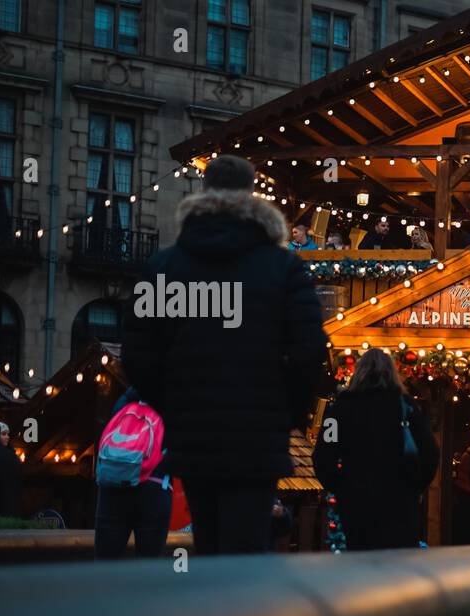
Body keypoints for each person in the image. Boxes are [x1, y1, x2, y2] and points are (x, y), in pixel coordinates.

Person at [124, 154, 329, 555]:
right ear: (251, 194)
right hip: (258, 436)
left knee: (208, 544)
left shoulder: (164, 268)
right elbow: (309, 352)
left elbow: (138, 354)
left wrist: (173, 406)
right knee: (247, 547)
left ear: (204, 192)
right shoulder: (284, 268)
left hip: (193, 433)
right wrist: (287, 414)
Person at [311, 348, 438, 551]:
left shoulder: (340, 408)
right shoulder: (406, 406)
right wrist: (415, 485)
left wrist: (341, 486)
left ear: (359, 372)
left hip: (356, 500)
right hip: (399, 499)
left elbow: (323, 455)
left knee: (361, 557)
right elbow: (429, 451)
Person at [93, 387, 173, 559]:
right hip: (155, 488)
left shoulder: (122, 406)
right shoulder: (173, 405)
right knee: (148, 567)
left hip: (113, 486)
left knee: (105, 563)